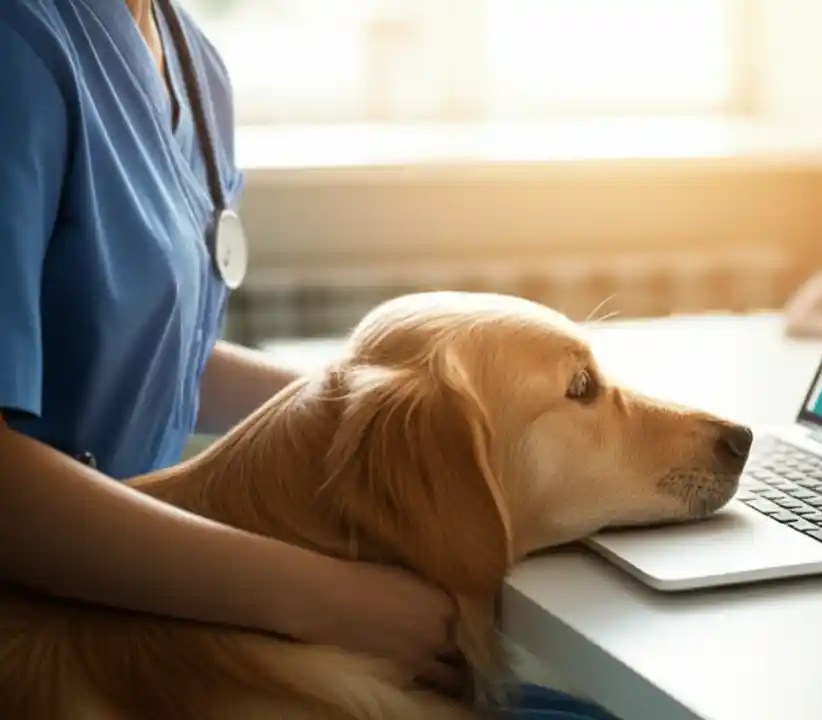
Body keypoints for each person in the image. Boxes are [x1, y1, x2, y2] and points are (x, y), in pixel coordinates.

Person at [0, 2, 612, 717]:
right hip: (55, 627)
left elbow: (148, 357)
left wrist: (407, 421)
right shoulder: (21, 47)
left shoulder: (187, 57)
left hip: (146, 606)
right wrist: (324, 599)